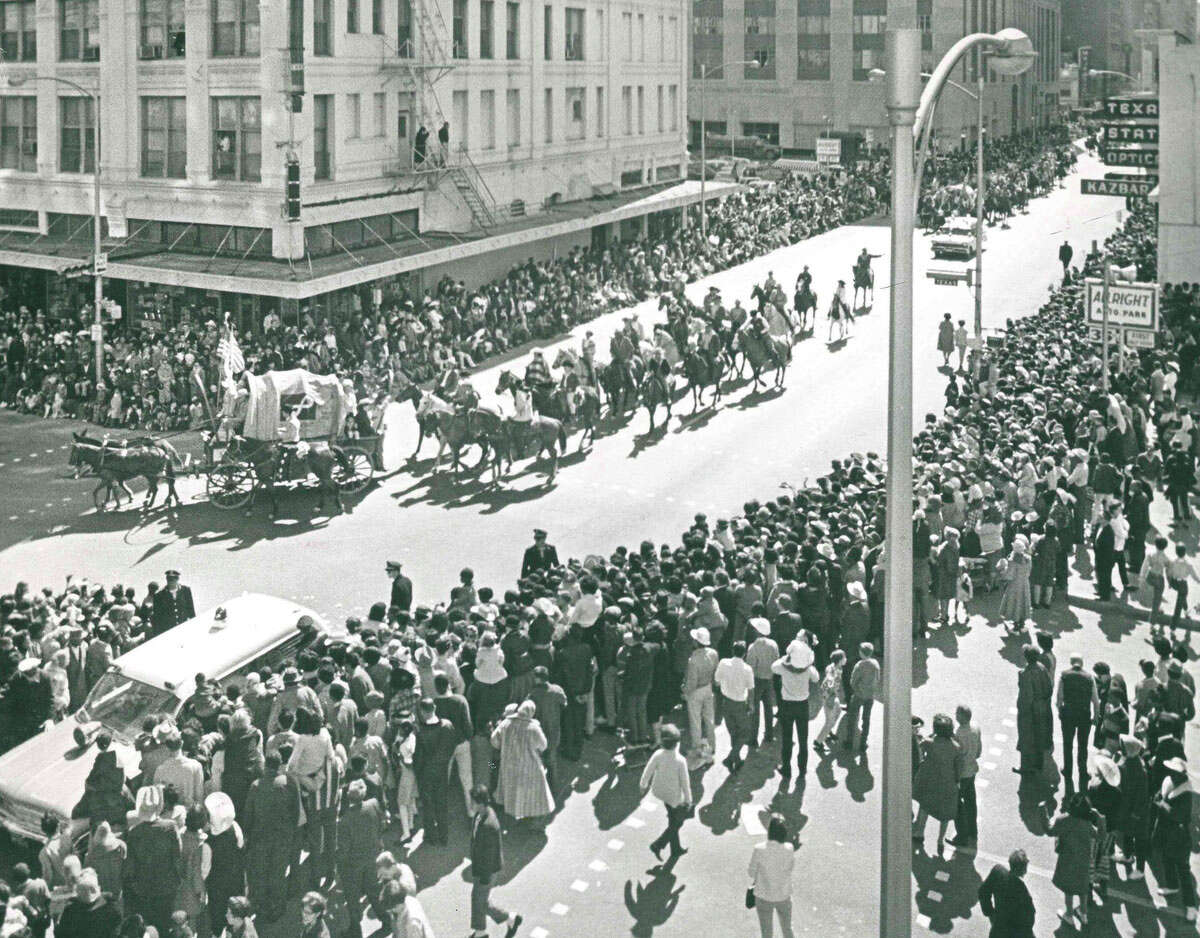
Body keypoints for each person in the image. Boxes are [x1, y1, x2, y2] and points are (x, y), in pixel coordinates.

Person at [123, 785, 182, 936]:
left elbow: (130, 867)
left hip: (144, 890)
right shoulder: (170, 827)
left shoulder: (134, 833)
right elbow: (177, 857)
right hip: (166, 889)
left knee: (148, 929)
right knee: (164, 927)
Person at [467, 785, 522, 938]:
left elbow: (489, 855)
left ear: (480, 803)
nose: (471, 804)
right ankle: (510, 918)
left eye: (473, 801)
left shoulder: (489, 825)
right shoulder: (482, 815)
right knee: (481, 900)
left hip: (487, 871)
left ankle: (481, 933)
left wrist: (484, 877)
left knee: (478, 899)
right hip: (483, 868)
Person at [490, 699, 554, 821]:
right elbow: (543, 745)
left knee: (512, 788)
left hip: (509, 763)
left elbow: (494, 741)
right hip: (529, 765)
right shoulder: (533, 728)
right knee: (532, 791)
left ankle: (512, 812)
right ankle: (532, 815)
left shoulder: (505, 724)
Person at [640, 724, 692, 863]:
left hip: (660, 791)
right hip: (674, 796)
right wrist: (689, 800)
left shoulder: (658, 754)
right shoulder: (680, 761)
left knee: (673, 819)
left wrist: (643, 784)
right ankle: (658, 844)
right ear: (677, 743)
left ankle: (675, 849)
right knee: (677, 823)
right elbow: (685, 783)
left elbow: (648, 770)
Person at [913, 713, 962, 854]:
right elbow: (957, 768)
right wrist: (957, 781)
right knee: (945, 814)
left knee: (925, 806)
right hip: (947, 783)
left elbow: (920, 749)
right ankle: (940, 840)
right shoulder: (956, 747)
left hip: (930, 781)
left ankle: (919, 833)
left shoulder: (930, 743)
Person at [770, 639, 818, 784]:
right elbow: (816, 678)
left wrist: (786, 657)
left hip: (787, 705)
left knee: (787, 738)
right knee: (803, 739)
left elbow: (774, 667)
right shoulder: (808, 669)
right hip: (802, 705)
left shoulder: (783, 667)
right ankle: (802, 769)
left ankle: (786, 768)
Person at [414, 697, 457, 845]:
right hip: (442, 770)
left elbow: (418, 755)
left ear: (422, 711)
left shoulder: (419, 730)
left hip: (426, 772)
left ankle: (431, 837)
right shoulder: (447, 726)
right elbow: (451, 748)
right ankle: (443, 836)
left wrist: (417, 770)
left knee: (428, 805)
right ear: (434, 708)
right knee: (442, 803)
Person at [1050, 792, 1096, 927]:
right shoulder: (1087, 824)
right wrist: (1100, 818)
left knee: (1069, 889)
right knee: (1083, 889)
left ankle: (1069, 914)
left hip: (1067, 860)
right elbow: (1099, 835)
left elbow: (1050, 830)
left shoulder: (1064, 820)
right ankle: (1083, 914)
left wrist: (1042, 812)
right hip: (1084, 861)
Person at [747, 813, 796, 938]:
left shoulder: (759, 849)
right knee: (787, 929)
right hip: (783, 895)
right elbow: (790, 868)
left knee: (767, 933)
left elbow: (751, 872)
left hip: (763, 896)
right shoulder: (789, 848)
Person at [1057, 653, 1099, 792]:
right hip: (1084, 714)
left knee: (1067, 743)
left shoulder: (1064, 676)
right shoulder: (1089, 678)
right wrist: (1096, 716)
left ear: (1071, 663)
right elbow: (1095, 700)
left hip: (1068, 713)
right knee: (1083, 744)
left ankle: (1067, 769)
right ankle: (1083, 770)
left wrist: (1060, 710)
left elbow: (1059, 697)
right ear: (1081, 663)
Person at [714, 641, 754, 772]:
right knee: (745, 732)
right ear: (745, 654)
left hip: (726, 702)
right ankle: (732, 757)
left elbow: (717, 680)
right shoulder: (747, 669)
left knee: (733, 731)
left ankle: (735, 759)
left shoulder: (724, 663)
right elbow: (751, 688)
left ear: (732, 651)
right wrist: (751, 704)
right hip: (739, 703)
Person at [978, 849, 1035, 938]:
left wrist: (989, 912)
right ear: (1024, 869)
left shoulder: (997, 872)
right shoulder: (1022, 891)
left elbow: (983, 891)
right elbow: (1029, 918)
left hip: (998, 928)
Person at [682, 626, 718, 764]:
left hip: (696, 691)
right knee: (709, 719)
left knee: (696, 722)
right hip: (708, 687)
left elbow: (691, 683)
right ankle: (712, 746)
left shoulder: (693, 660)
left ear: (696, 642)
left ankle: (697, 749)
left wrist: (684, 691)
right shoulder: (713, 653)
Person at [56, 868, 122, 938]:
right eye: (83, 889)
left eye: (91, 888)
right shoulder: (70, 910)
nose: (88, 892)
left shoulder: (111, 910)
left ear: (98, 888)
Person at [950, 704, 982, 847]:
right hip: (972, 771)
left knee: (957, 804)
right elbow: (979, 751)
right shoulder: (975, 728)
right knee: (971, 802)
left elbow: (956, 757)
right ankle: (973, 832)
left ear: (962, 717)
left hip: (962, 773)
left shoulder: (958, 734)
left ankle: (961, 835)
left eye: (957, 714)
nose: (955, 716)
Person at [842, 642, 879, 754]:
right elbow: (877, 679)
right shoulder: (875, 664)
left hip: (858, 695)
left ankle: (849, 742)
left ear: (861, 653)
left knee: (852, 718)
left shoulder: (859, 665)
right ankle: (863, 743)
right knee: (866, 719)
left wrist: (857, 690)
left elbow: (852, 681)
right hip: (870, 696)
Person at [150, 570, 195, 638]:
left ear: (177, 579)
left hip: (183, 627)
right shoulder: (159, 595)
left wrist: (193, 625)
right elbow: (157, 617)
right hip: (168, 631)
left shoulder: (185, 590)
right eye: (168, 579)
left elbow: (191, 609)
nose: (170, 582)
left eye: (172, 579)